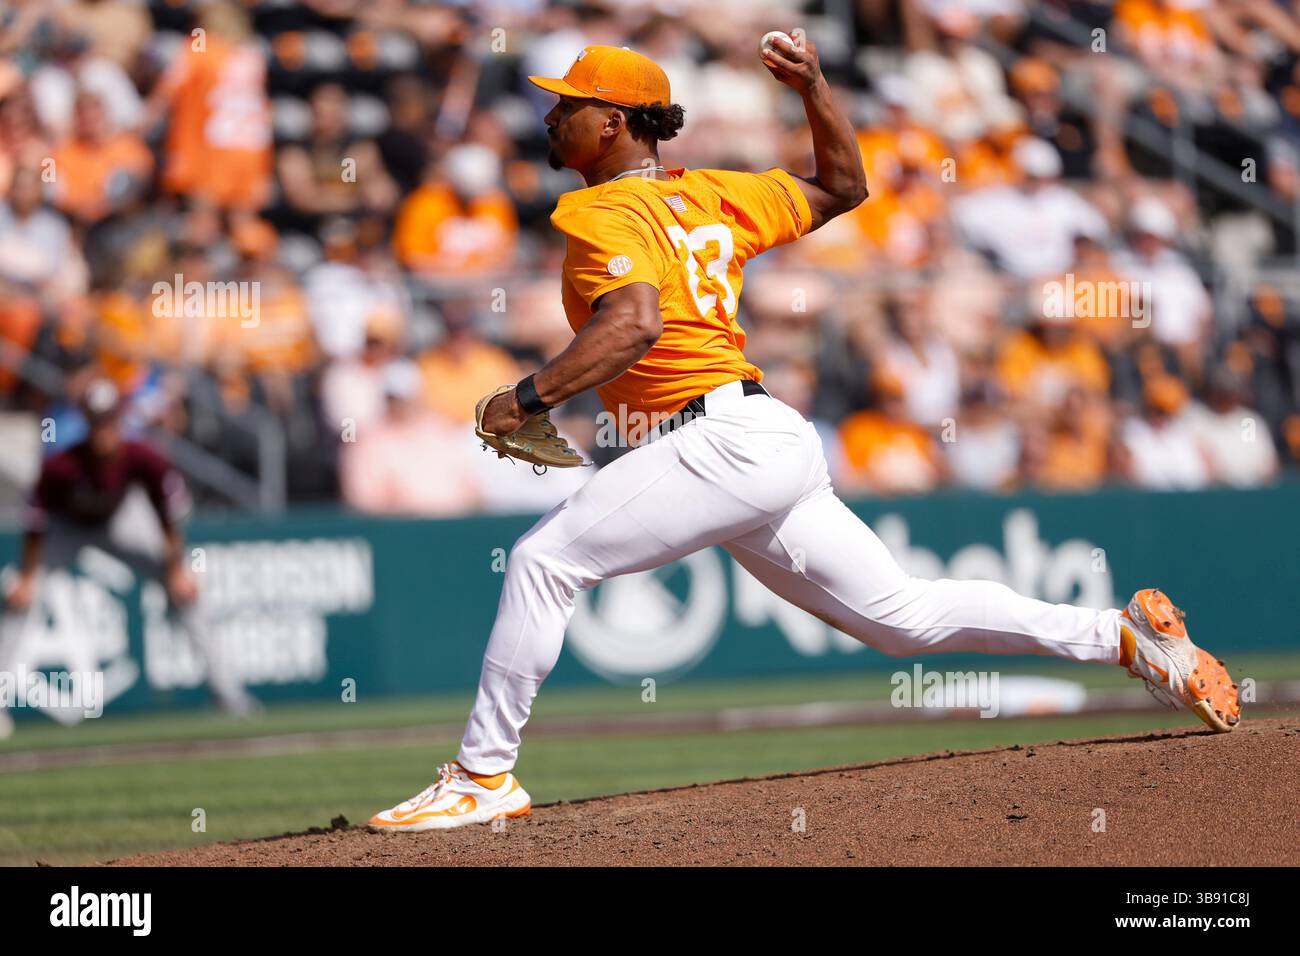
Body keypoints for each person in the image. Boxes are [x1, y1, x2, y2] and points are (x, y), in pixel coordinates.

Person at [367, 38, 1240, 833]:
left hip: (716, 438)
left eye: (568, 104)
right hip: (765, 436)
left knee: (542, 563)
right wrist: (818, 88)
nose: (552, 116)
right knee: (904, 620)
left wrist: (526, 395)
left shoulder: (600, 215)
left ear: (614, 121)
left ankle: (484, 776)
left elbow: (631, 327)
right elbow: (846, 187)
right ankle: (1127, 640)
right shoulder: (713, 194)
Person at [0, 379, 259, 734]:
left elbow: (168, 515)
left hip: (122, 520)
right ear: (86, 422)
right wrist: (28, 576)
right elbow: (36, 521)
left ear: (119, 419)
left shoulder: (143, 456)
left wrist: (176, 568)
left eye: (108, 421)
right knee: (18, 599)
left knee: (185, 593)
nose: (103, 431)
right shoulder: (62, 465)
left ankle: (230, 696)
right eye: (96, 421)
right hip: (68, 527)